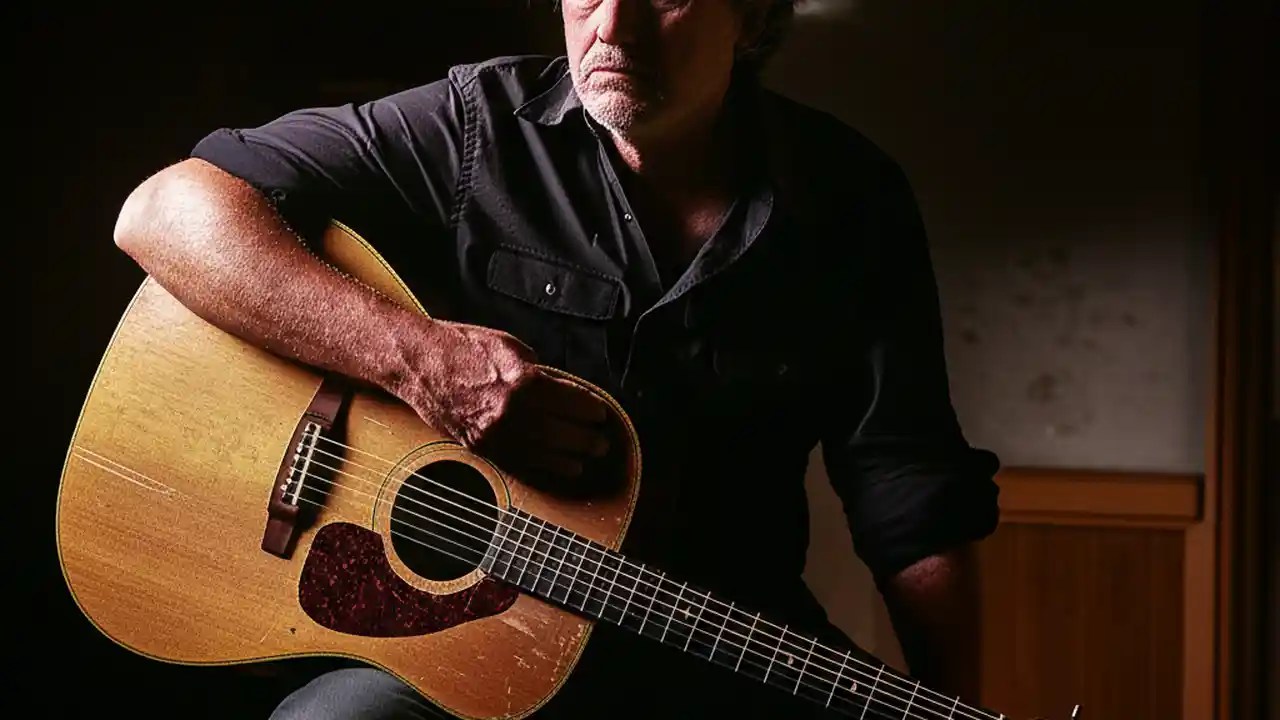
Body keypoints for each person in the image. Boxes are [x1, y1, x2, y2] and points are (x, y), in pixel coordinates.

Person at [112, 0, 1000, 717]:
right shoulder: (477, 128)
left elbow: (910, 492)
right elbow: (164, 211)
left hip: (711, 636)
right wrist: (417, 360)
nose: (612, 27)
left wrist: (954, 705)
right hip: (449, 635)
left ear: (754, 18)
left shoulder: (852, 203)